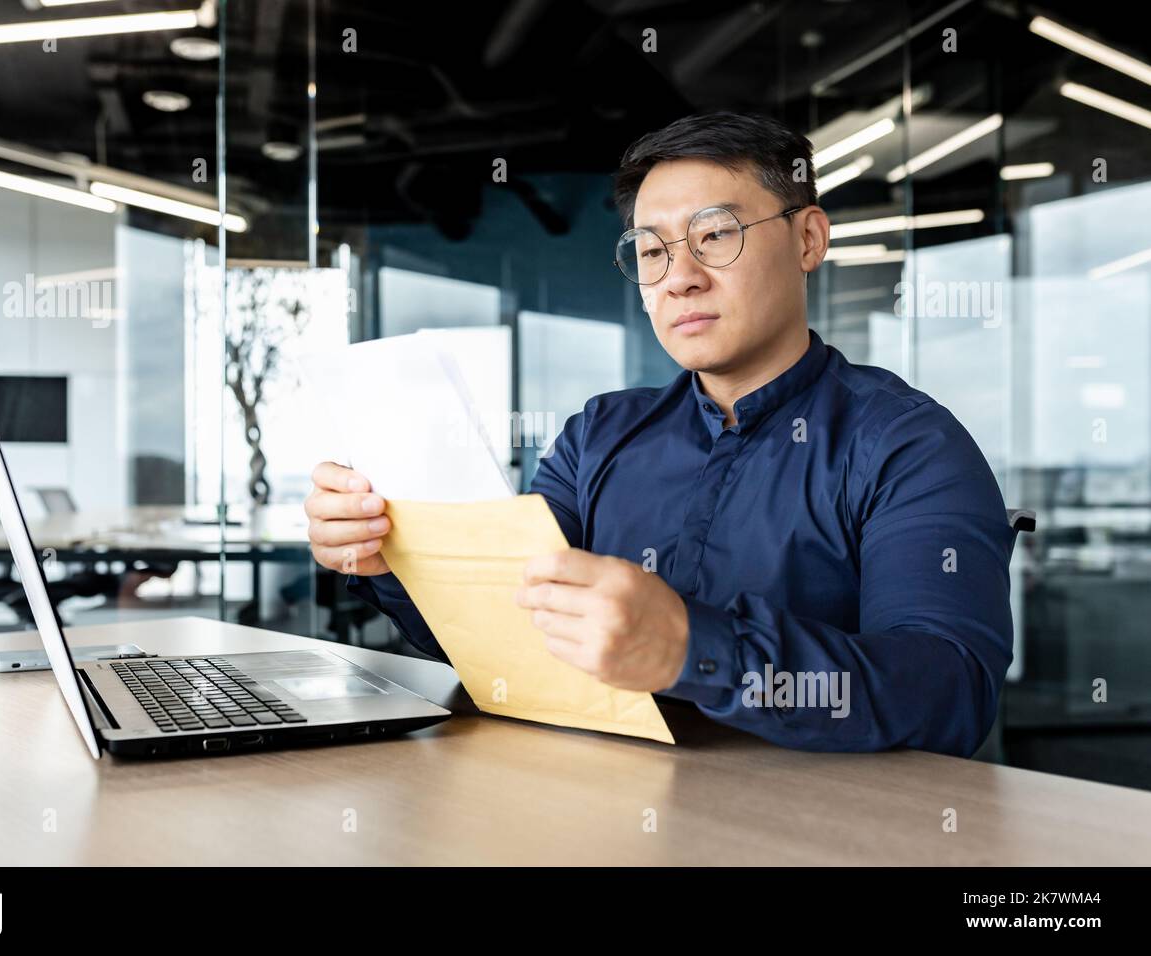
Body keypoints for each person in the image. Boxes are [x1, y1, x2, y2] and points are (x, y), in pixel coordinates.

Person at [305, 111, 1014, 757]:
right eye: (651, 251)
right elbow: (511, 642)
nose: (679, 278)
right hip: (599, 810)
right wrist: (396, 562)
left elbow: (949, 693)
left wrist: (694, 647)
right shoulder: (598, 435)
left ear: (808, 238)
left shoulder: (908, 445)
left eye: (715, 235)